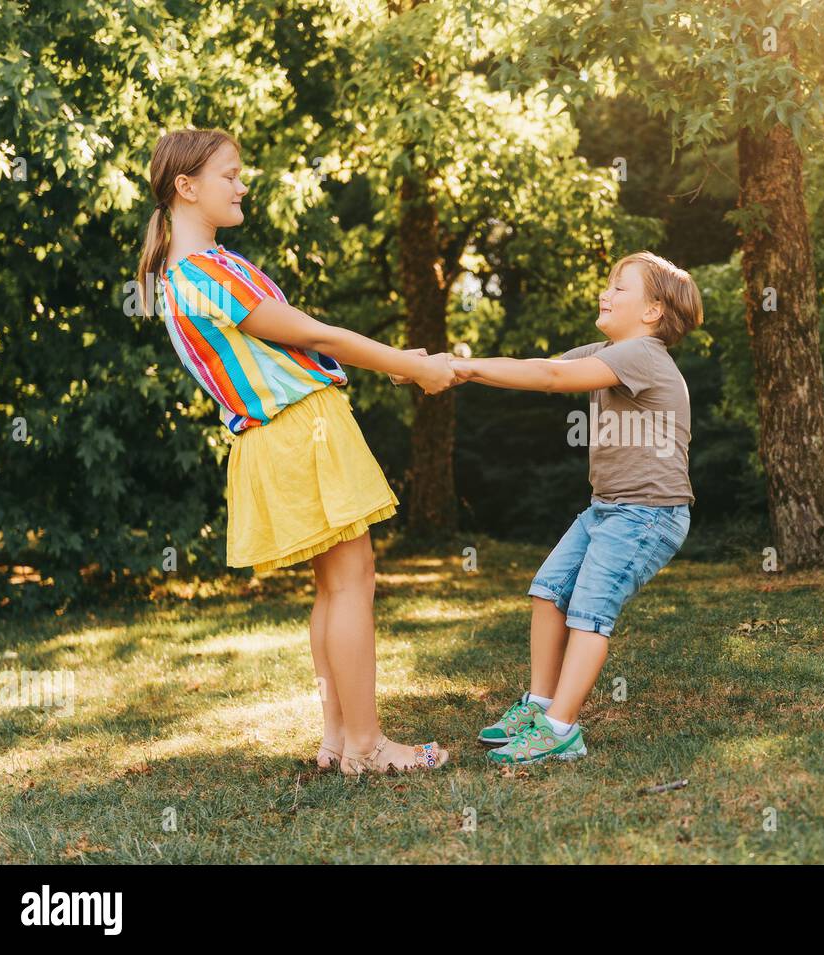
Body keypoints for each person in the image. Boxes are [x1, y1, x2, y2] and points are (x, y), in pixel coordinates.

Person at [138, 127, 456, 776]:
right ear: (186, 187)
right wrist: (402, 362)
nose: (242, 184)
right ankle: (367, 744)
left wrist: (395, 364)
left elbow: (296, 341)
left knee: (336, 584)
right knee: (351, 578)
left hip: (284, 433)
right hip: (297, 429)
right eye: (229, 174)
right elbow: (309, 330)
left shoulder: (189, 272)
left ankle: (339, 739)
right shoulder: (200, 273)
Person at [420, 251, 702, 764]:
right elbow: (536, 369)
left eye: (620, 287)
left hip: (647, 514)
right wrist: (449, 369)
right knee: (548, 592)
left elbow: (551, 377)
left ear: (653, 312)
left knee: (589, 613)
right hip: (607, 510)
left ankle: (560, 730)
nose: (606, 293)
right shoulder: (610, 351)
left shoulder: (642, 354)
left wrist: (460, 367)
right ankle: (540, 704)